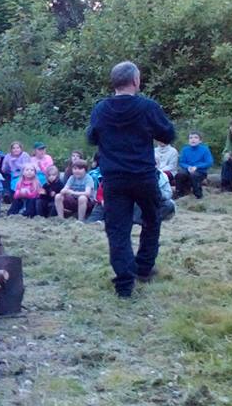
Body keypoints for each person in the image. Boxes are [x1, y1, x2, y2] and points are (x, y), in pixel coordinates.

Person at [87, 61, 176, 297]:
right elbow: (168, 134)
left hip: (114, 179)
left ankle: (125, 285)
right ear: (135, 81)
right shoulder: (147, 107)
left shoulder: (101, 109)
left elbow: (91, 137)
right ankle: (144, 268)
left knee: (118, 230)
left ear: (115, 82)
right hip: (143, 176)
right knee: (151, 219)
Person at [174, 132, 214, 199]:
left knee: (194, 175)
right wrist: (188, 167)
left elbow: (209, 162)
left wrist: (197, 167)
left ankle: (198, 195)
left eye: (196, 137)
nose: (193, 139)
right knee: (179, 175)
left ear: (200, 140)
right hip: (188, 169)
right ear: (188, 140)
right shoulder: (185, 149)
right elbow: (182, 162)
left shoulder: (205, 149)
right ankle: (179, 193)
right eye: (191, 138)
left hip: (200, 171)